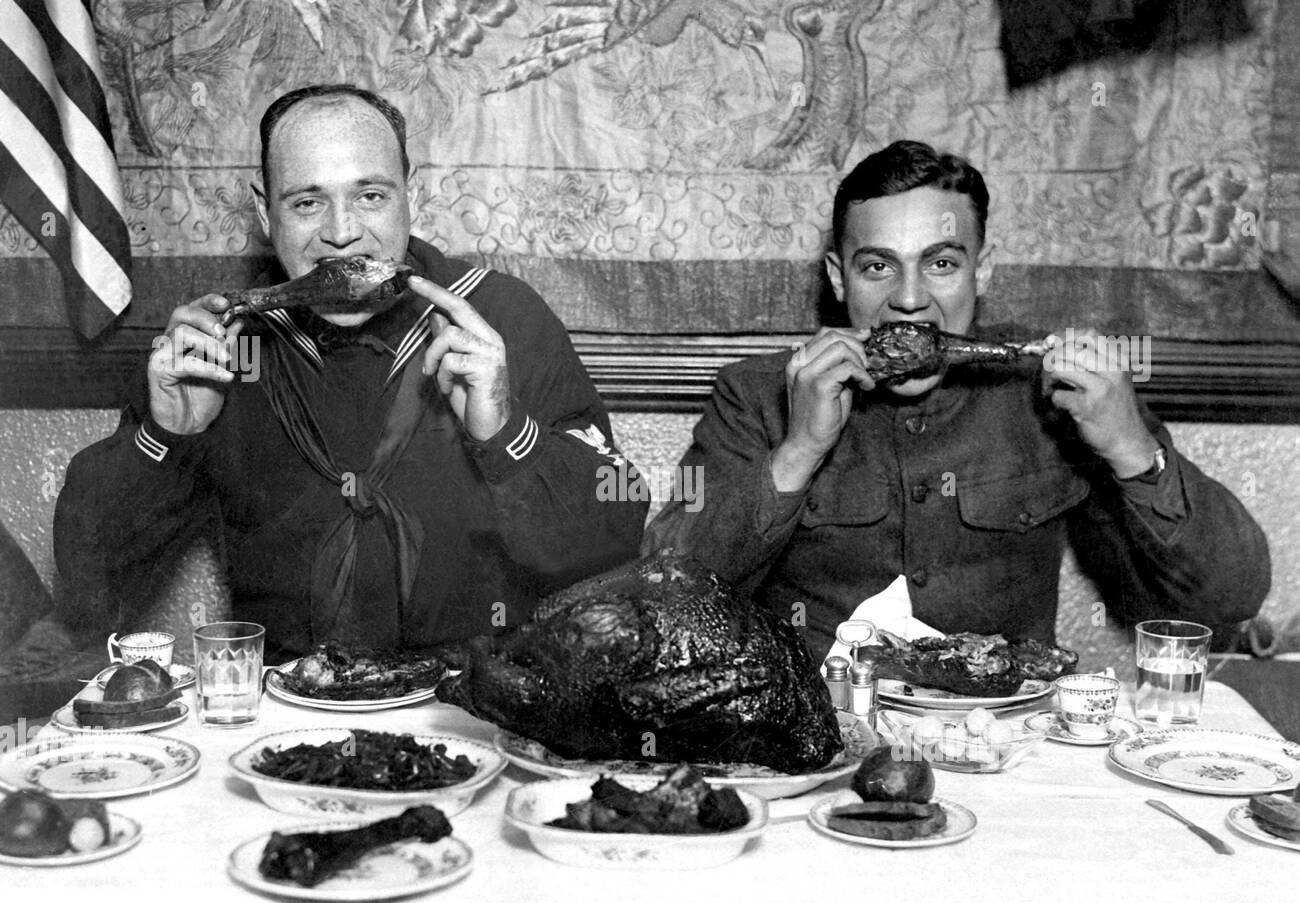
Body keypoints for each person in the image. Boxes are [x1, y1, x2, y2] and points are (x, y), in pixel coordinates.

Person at [55, 84, 647, 661]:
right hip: (288, 711)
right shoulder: (220, 347)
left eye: (370, 196)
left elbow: (612, 541)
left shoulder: (503, 319)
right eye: (307, 202)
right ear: (265, 212)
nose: (342, 233)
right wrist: (165, 439)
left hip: (479, 695)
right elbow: (88, 578)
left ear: (411, 195)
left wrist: (507, 437)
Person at [644, 140, 1270, 660]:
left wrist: (1134, 449)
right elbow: (664, 602)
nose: (910, 299)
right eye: (877, 267)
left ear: (983, 270)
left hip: (1005, 744)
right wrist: (800, 449)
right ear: (838, 278)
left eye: (941, 263)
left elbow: (1227, 600)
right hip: (818, 737)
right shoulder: (755, 393)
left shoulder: (1053, 391)